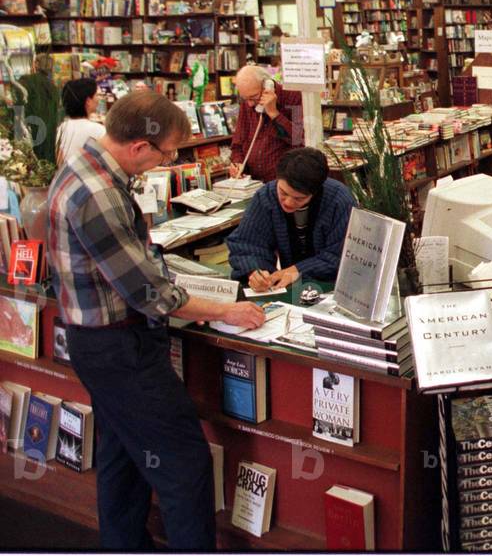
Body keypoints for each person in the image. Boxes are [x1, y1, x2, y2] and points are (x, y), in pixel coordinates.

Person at [47, 90, 266, 549]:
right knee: (184, 464)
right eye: (165, 153)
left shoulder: (83, 167)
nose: (164, 163)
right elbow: (151, 293)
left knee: (122, 457)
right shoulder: (100, 194)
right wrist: (225, 309)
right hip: (120, 349)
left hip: (98, 342)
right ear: (139, 146)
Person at [228, 147, 357, 290]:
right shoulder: (266, 196)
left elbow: (343, 255)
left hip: (332, 288)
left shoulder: (339, 200)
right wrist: (256, 272)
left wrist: (297, 270)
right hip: (287, 289)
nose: (288, 202)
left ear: (315, 192)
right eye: (283, 192)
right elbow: (246, 244)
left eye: (299, 198)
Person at [229, 65, 304, 183]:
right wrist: (238, 163)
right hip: (252, 183)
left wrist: (274, 113)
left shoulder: (292, 96)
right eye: (245, 99)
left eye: (254, 97)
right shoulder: (248, 102)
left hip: (283, 181)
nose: (250, 104)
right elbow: (238, 143)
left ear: (267, 85)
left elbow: (299, 139)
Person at [55, 79, 105, 165]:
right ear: (88, 101)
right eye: (97, 95)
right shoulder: (99, 130)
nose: (99, 99)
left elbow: (59, 162)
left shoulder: (62, 128)